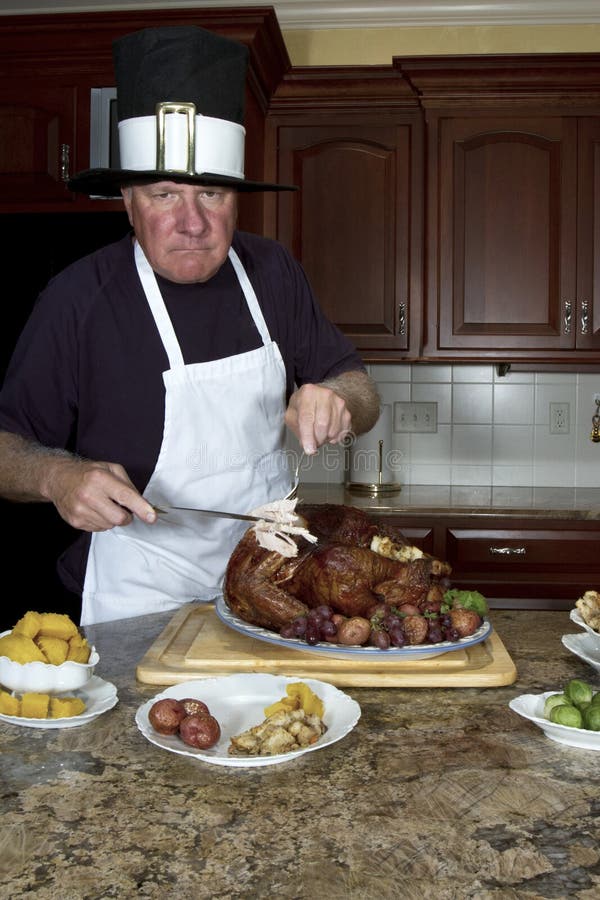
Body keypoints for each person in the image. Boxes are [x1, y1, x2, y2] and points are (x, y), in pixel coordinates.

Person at [0, 26, 380, 626]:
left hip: (270, 585)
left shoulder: (272, 271)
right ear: (127, 199)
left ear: (237, 199)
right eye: (164, 194)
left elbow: (358, 386)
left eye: (212, 195)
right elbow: (5, 449)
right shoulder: (75, 300)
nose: (193, 222)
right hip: (138, 598)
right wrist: (56, 475)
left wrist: (338, 400)